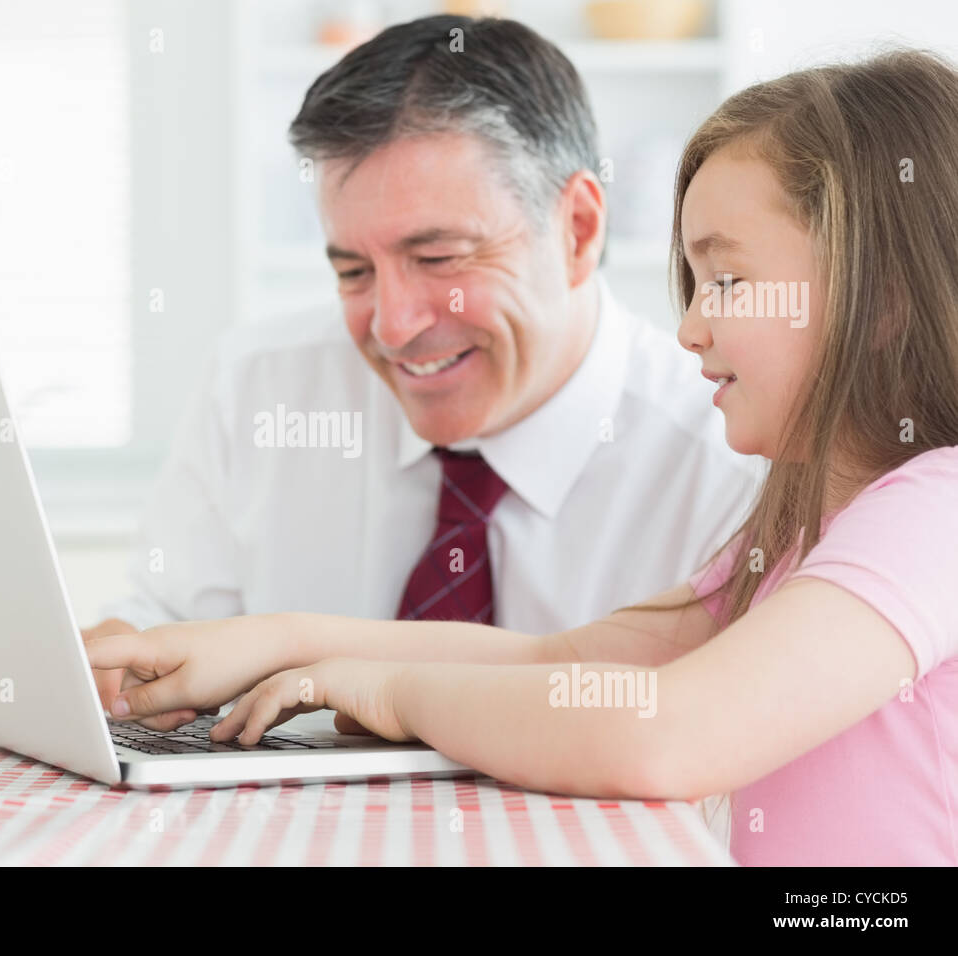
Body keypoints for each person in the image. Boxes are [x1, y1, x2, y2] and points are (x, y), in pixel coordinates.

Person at [87, 49, 958, 866]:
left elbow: (666, 732)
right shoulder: (810, 520)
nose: (692, 326)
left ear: (878, 303)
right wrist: (285, 645)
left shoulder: (937, 512)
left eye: (725, 282)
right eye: (693, 288)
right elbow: (570, 666)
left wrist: (391, 695)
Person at [84, 16, 758, 751]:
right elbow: (155, 622)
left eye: (438, 257)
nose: (395, 326)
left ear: (578, 229)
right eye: (353, 273)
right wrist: (120, 662)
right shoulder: (258, 390)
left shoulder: (730, 462)